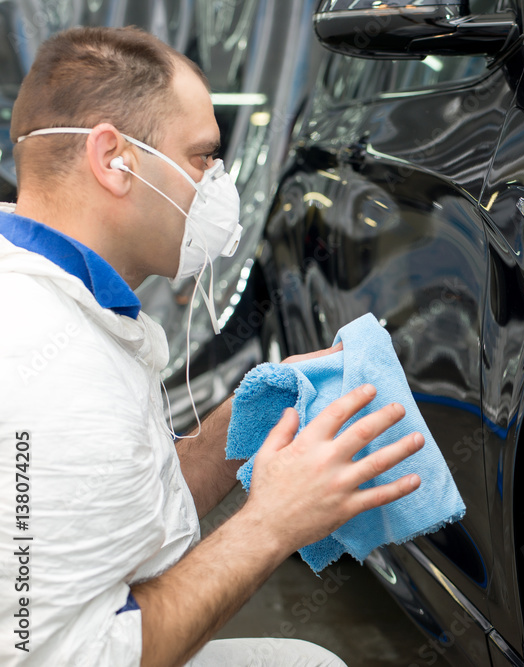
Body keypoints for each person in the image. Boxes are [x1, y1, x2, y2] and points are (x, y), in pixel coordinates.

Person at [0, 26, 423, 666]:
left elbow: (125, 521)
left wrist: (232, 432)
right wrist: (270, 524)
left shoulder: (59, 301)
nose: (217, 185)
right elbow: (63, 655)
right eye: (202, 157)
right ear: (114, 159)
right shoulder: (51, 367)